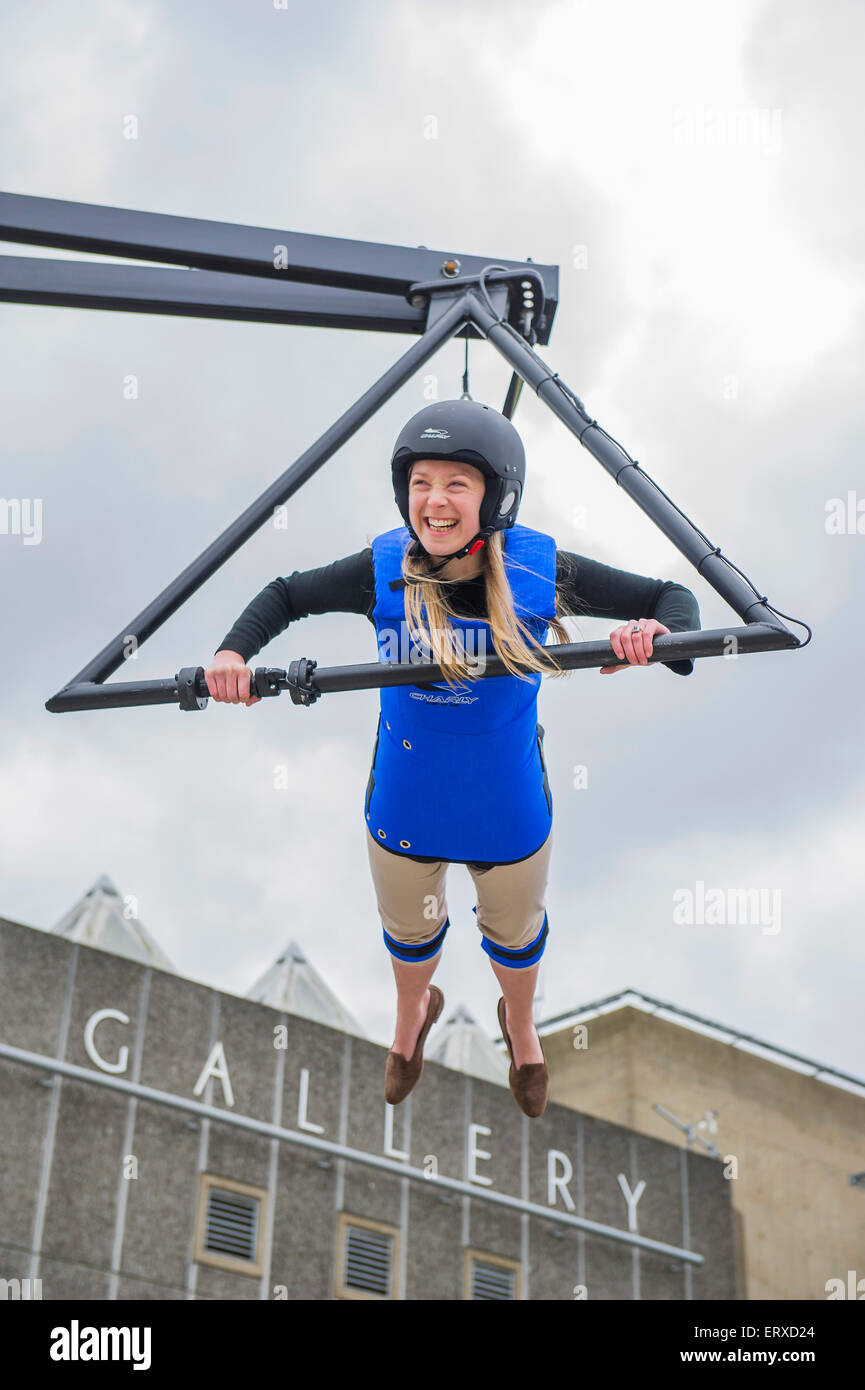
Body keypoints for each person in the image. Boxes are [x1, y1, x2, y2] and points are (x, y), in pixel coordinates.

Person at [205, 399, 700, 1118]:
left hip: (503, 801)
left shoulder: (537, 567)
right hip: (410, 795)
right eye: (420, 483)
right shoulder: (381, 569)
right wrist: (231, 656)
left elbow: (668, 594)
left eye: (456, 484)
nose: (433, 501)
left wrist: (659, 632)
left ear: (494, 498)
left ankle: (520, 1027)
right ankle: (412, 1018)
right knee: (410, 935)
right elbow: (286, 595)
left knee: (514, 936)